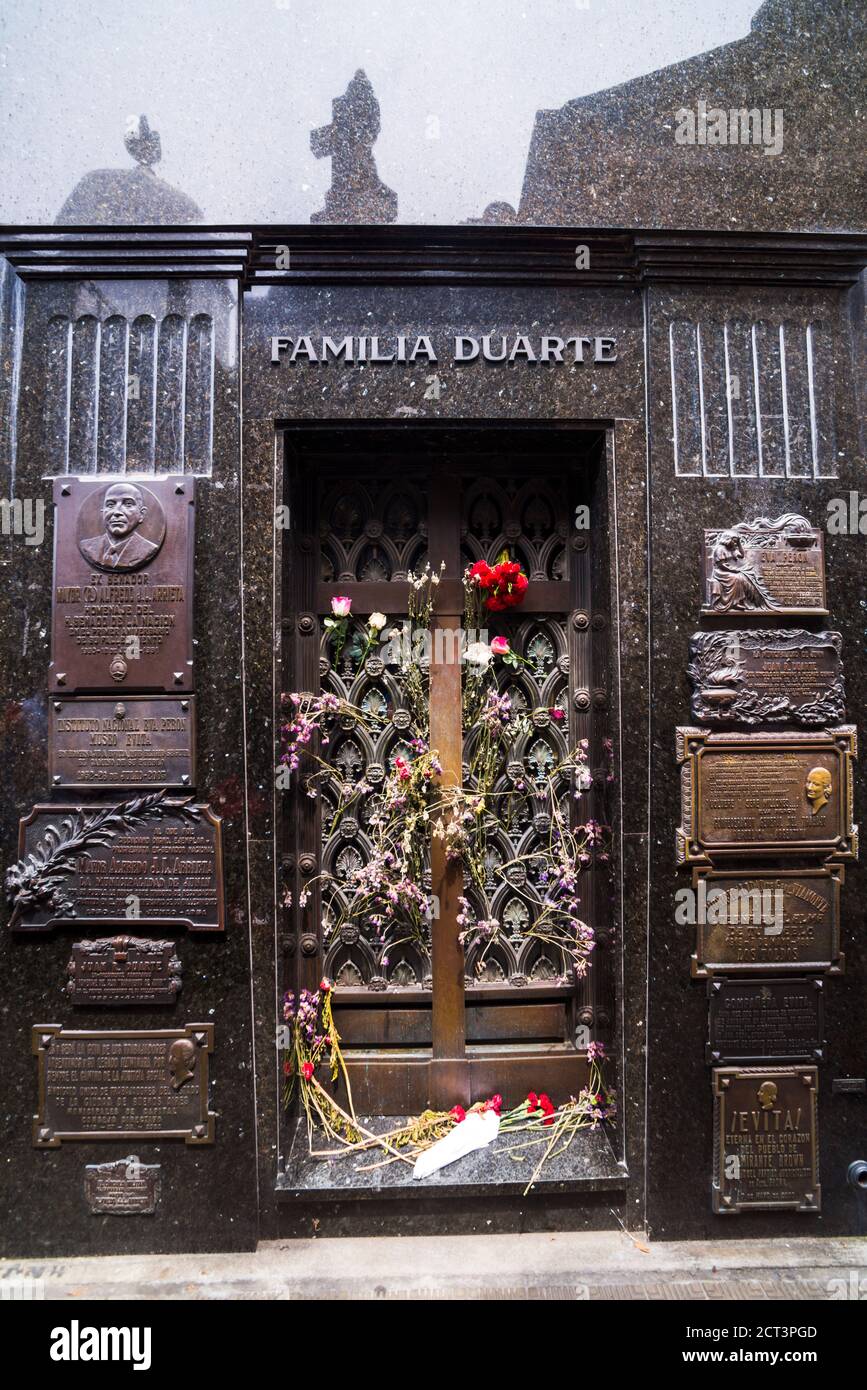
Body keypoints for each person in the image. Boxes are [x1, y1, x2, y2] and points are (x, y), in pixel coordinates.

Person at [80, 483, 160, 570]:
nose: (117, 511)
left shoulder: (148, 549)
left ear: (141, 514)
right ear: (102, 513)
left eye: (128, 504)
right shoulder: (87, 547)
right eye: (110, 505)